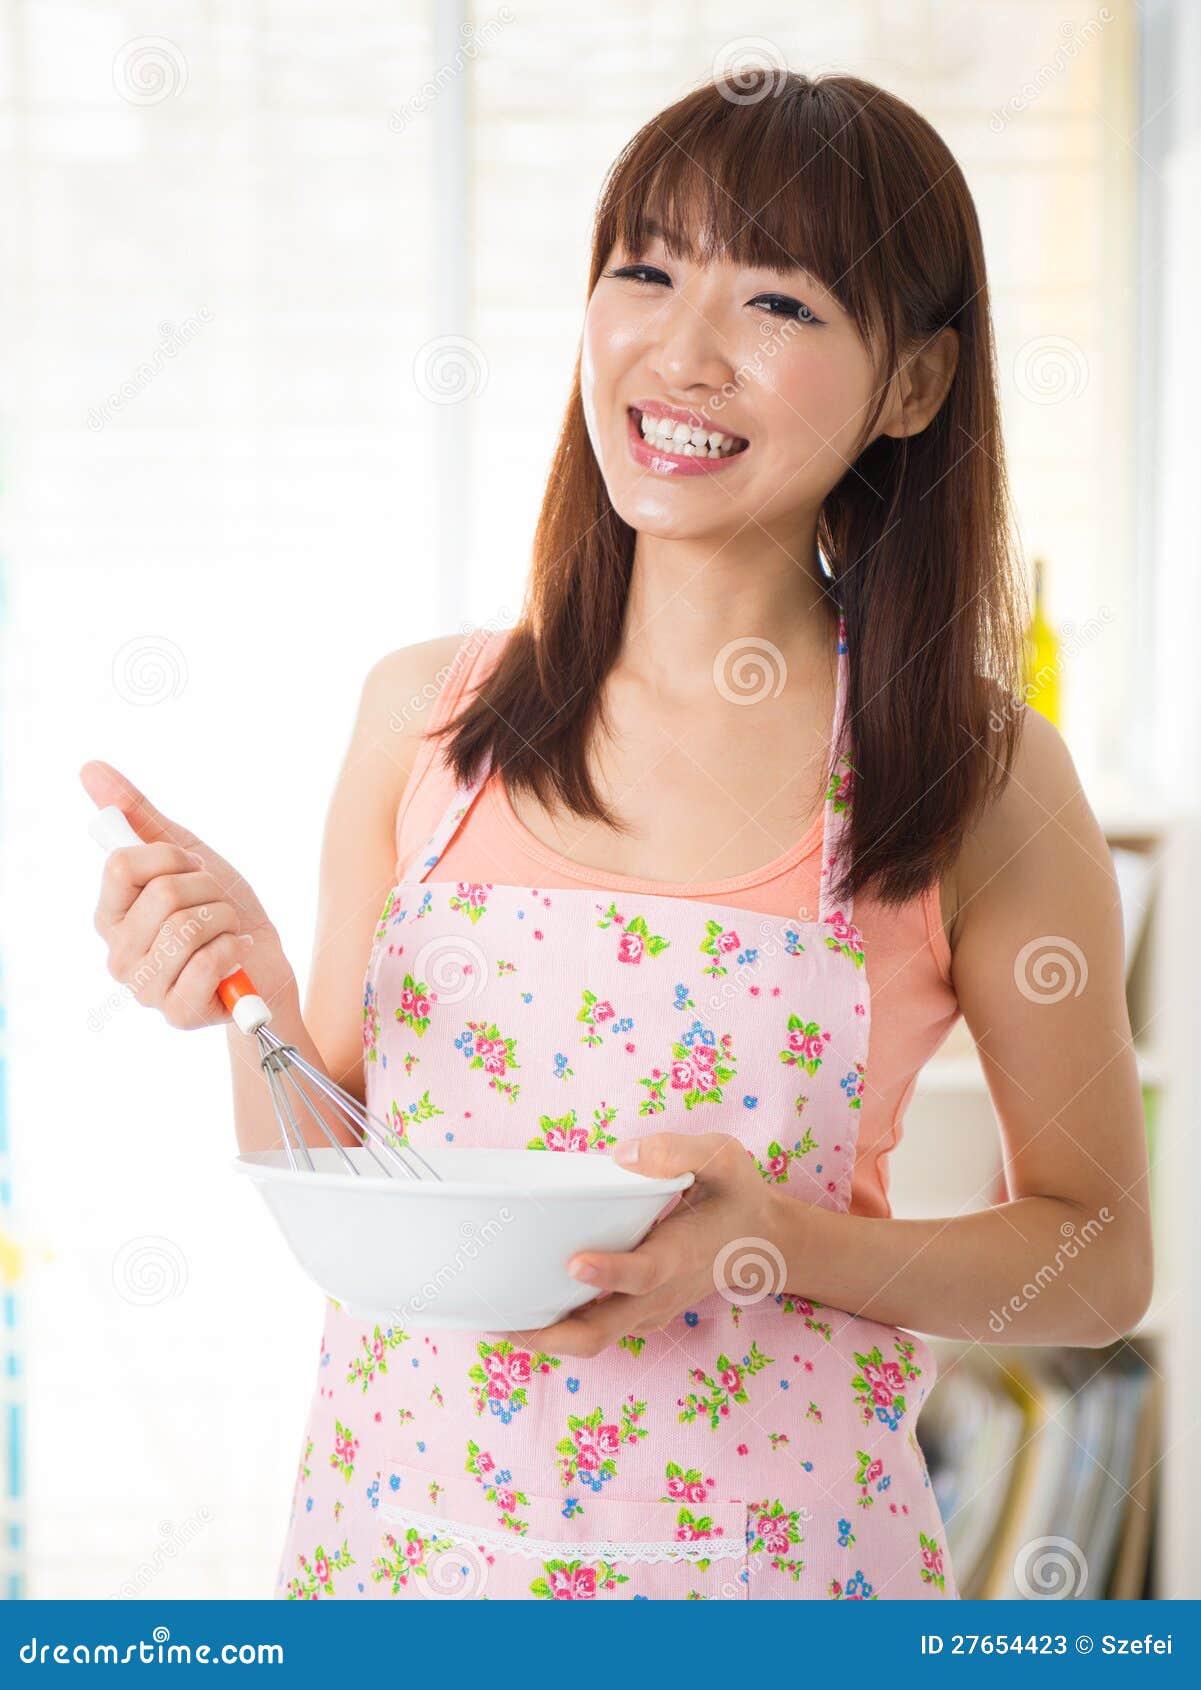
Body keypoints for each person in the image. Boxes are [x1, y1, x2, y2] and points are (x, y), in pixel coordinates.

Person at [84, 69, 1152, 1601]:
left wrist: (777, 1241)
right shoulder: (424, 717)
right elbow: (347, 1188)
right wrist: (246, 993)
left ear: (911, 385)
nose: (679, 347)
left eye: (777, 302)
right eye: (642, 270)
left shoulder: (978, 774)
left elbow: (1100, 1259)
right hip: (404, 1568)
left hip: (774, 1590)